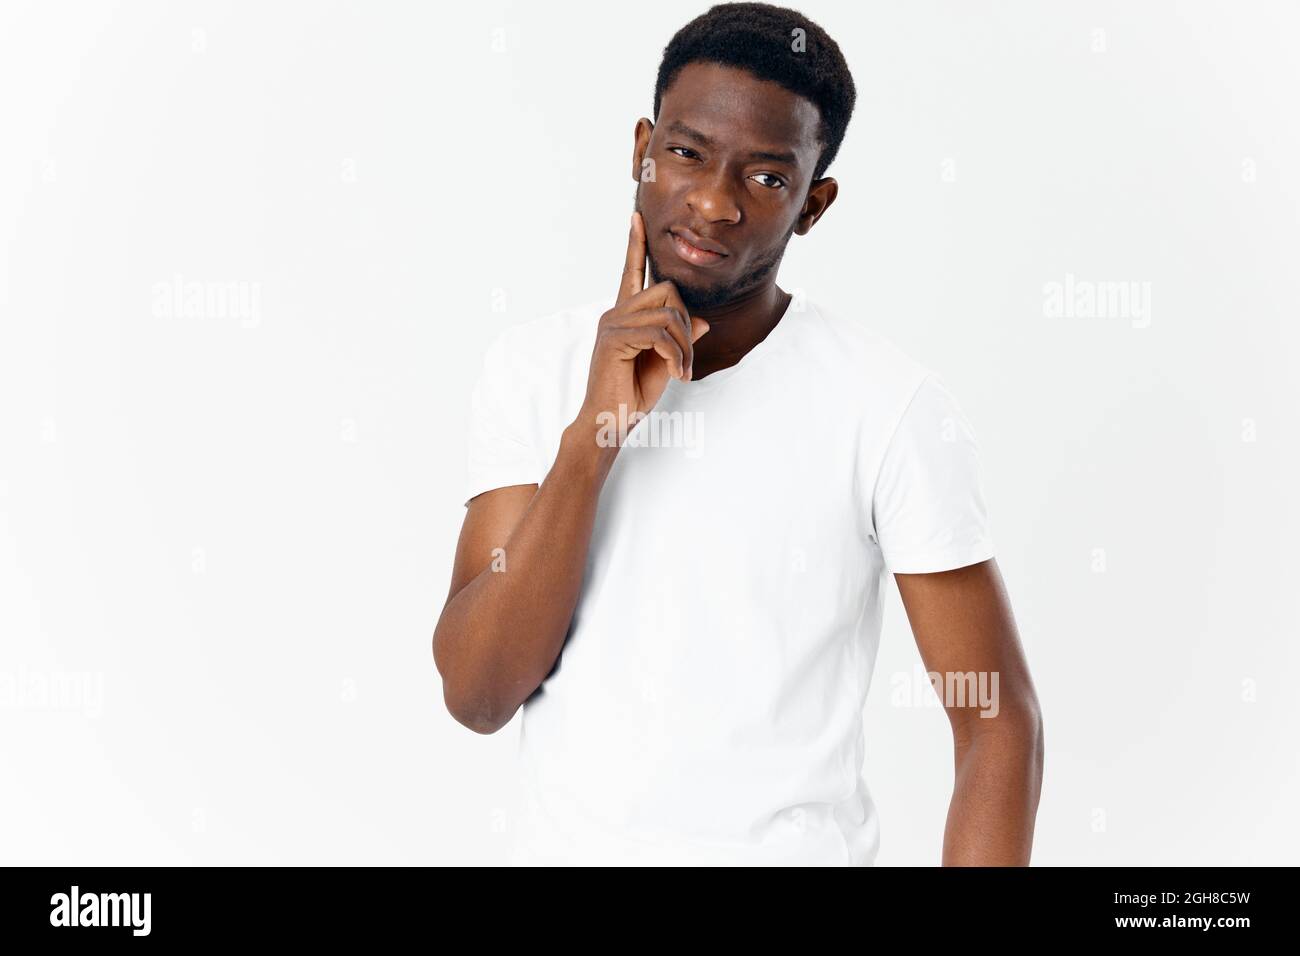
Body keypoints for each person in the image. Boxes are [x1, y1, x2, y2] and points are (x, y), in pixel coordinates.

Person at [433, 1, 1044, 865]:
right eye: (686, 153)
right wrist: (592, 439)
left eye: (764, 177)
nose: (714, 203)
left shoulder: (891, 406)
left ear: (813, 203)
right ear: (640, 148)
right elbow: (478, 693)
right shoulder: (531, 369)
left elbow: (995, 718)